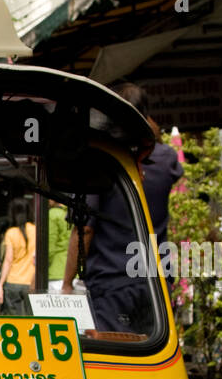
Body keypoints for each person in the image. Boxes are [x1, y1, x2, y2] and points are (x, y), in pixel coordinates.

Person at [62, 82, 183, 333]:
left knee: (118, 360)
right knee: (154, 362)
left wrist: (66, 283)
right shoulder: (166, 159)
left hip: (113, 284)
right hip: (156, 283)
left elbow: (84, 230)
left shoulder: (99, 163)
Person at [0, 197, 36, 315]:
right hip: (32, 283)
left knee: (16, 322)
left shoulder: (11, 233)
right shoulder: (36, 230)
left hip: (13, 283)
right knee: (31, 320)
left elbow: (8, 260)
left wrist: (0, 284)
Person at [46, 200, 70, 288]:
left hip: (56, 272)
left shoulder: (53, 214)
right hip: (77, 272)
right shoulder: (73, 213)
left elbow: (49, 248)